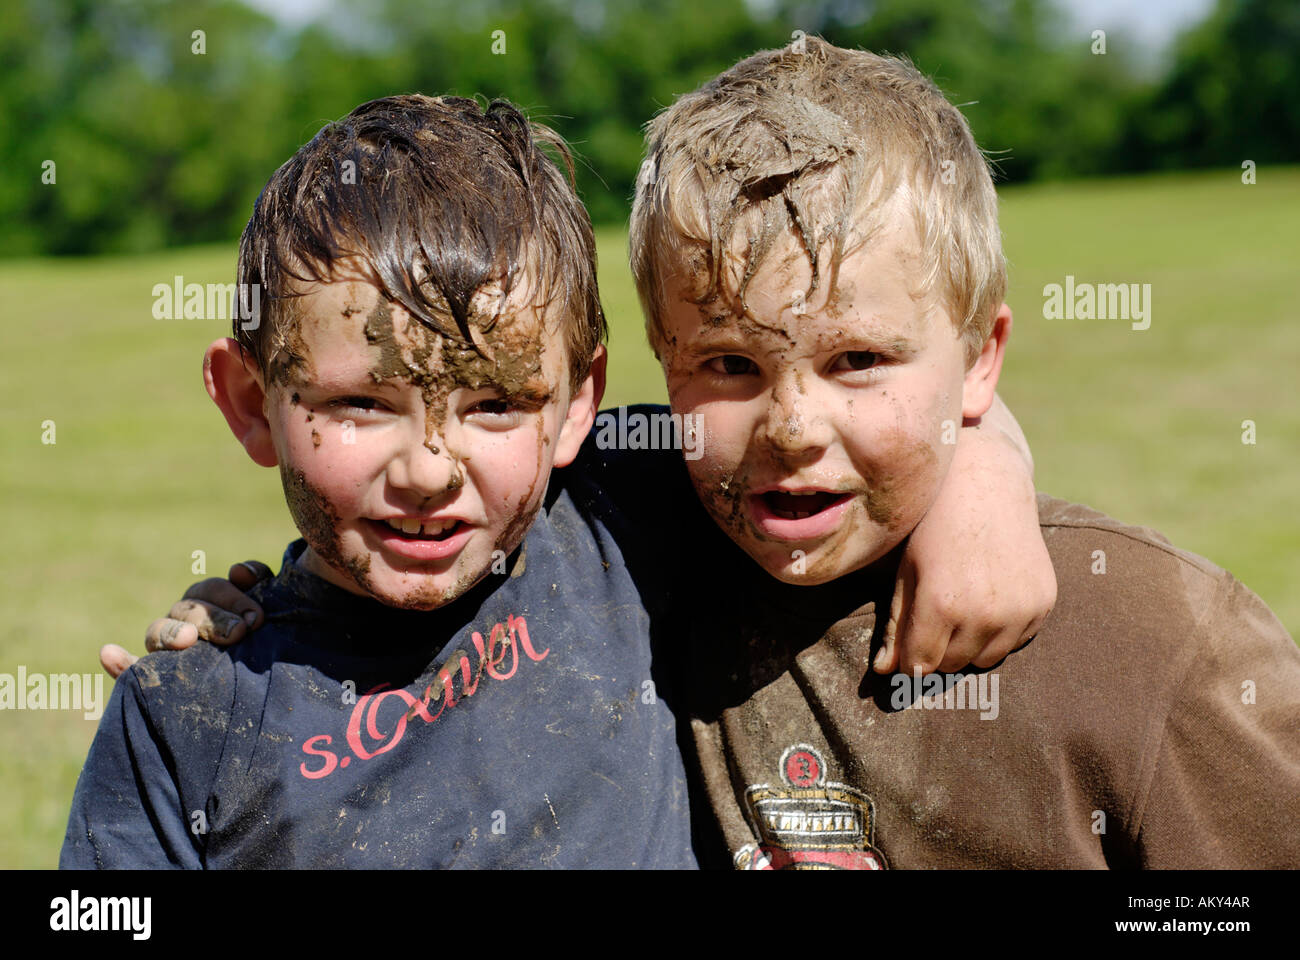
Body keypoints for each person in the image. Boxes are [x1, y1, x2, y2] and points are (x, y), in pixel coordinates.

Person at [68, 89, 1054, 869]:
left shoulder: (620, 514)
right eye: (361, 405)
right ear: (248, 402)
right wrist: (205, 666)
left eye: (496, 404)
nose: (426, 471)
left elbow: (849, 421)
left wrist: (986, 483)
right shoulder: (187, 716)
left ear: (577, 404)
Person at [622, 38, 1300, 868]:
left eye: (858, 361)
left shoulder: (1159, 644)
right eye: (730, 364)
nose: (793, 428)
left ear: (981, 358)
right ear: (662, 353)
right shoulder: (612, 564)